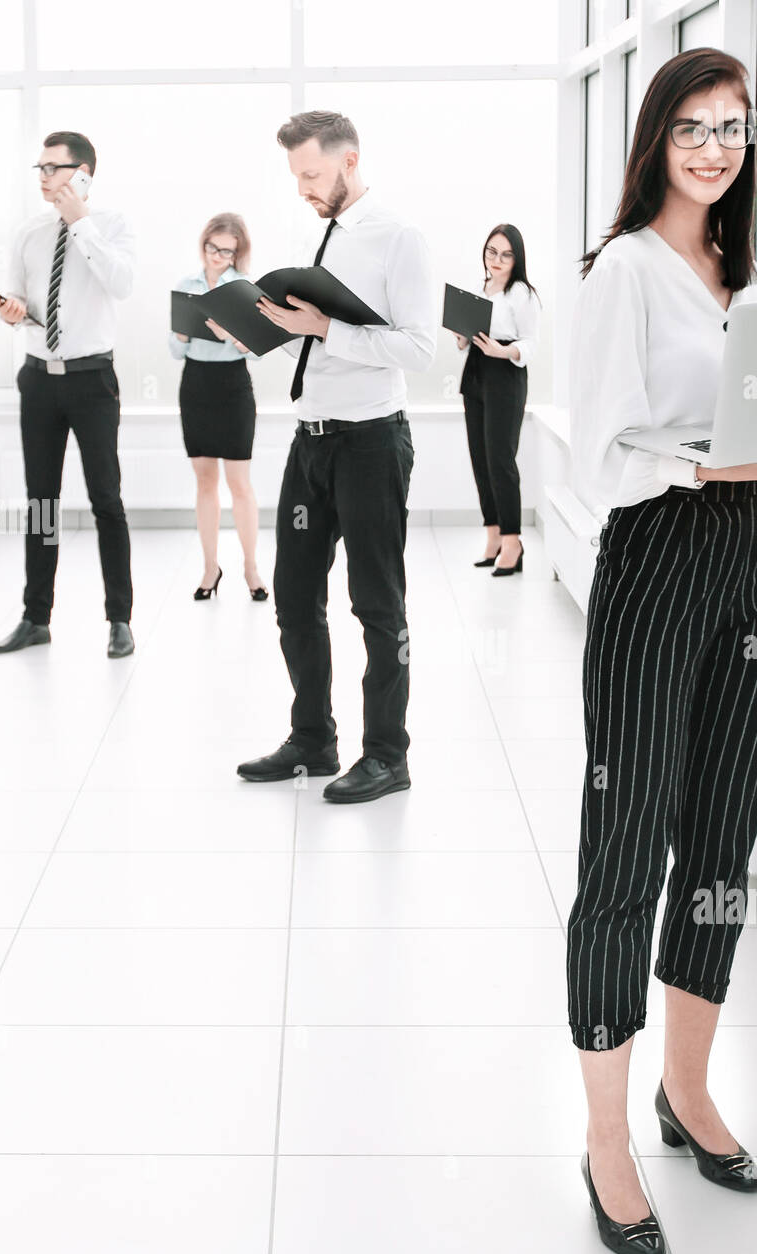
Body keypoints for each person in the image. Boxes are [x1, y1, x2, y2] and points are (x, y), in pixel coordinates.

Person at [566, 49, 757, 1254]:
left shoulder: (750, 278)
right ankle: (605, 1136)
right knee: (627, 843)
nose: (712, 146)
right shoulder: (622, 272)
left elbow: (753, 421)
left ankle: (687, 1089)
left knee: (722, 841)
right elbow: (600, 460)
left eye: (730, 126)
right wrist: (725, 464)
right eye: (690, 125)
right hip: (657, 553)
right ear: (654, 138)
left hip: (754, 550)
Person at [235, 110, 437, 804]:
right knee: (293, 598)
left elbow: (418, 347)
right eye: (295, 176)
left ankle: (387, 755)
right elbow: (315, 346)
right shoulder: (316, 234)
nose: (302, 188)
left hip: (371, 443)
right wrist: (262, 335)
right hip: (309, 442)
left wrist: (324, 325)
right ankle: (313, 740)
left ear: (349, 161)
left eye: (312, 174)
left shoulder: (399, 237)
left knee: (377, 604)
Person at [0, 130, 137, 658]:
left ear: (83, 174)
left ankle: (119, 619)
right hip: (38, 378)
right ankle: (36, 617)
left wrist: (81, 224)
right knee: (41, 503)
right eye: (41, 167)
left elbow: (121, 284)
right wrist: (11, 309)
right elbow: (20, 297)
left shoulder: (112, 226)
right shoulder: (28, 232)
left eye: (54, 168)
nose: (44, 176)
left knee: (106, 500)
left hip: (92, 380)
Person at [170, 214, 270, 601]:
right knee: (205, 482)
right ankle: (210, 568)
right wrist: (181, 332)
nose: (218, 257)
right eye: (213, 248)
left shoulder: (242, 289)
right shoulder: (186, 287)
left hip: (233, 386)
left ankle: (250, 567)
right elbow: (176, 350)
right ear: (204, 244)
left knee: (239, 483)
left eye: (226, 251)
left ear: (237, 253)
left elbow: (257, 352)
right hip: (196, 385)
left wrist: (233, 335)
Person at [453, 223, 540, 575]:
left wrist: (502, 352)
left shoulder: (523, 293)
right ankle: (493, 536)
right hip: (475, 372)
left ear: (516, 258)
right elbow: (464, 341)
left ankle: (513, 541)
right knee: (481, 459)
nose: (497, 260)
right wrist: (461, 336)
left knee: (501, 460)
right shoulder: (479, 288)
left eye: (505, 254)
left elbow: (532, 344)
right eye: (492, 252)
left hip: (505, 373)